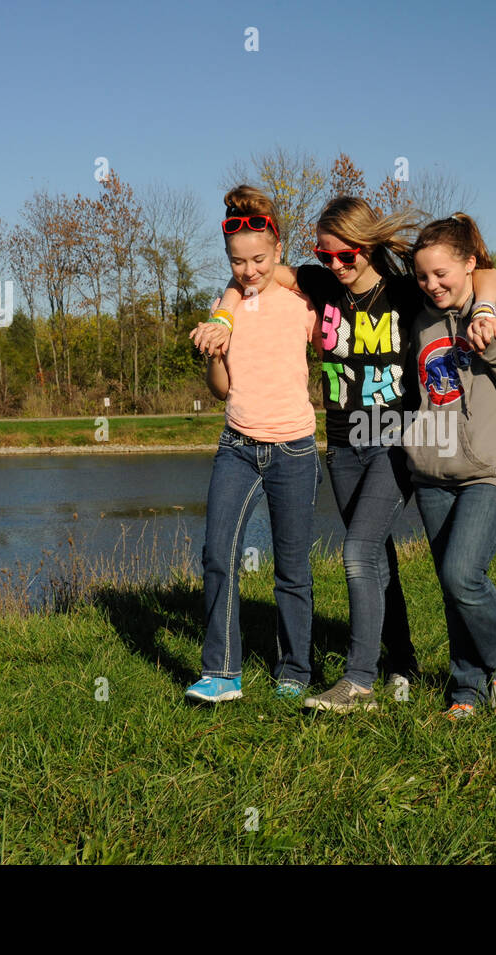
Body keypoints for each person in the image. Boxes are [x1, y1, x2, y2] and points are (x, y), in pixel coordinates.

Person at [196, 196, 496, 713]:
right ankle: (401, 662)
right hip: (342, 446)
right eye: (325, 254)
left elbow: (487, 277)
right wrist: (224, 318)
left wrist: (488, 308)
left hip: (393, 440)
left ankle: (358, 681)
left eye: (346, 255)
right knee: (377, 559)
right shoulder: (318, 283)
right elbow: (252, 276)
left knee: (357, 551)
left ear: (367, 247)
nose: (335, 265)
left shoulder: (405, 292)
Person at [403, 214, 496, 720]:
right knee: (451, 586)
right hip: (432, 471)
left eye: (442, 274)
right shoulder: (422, 318)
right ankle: (464, 689)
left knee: (463, 572)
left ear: (470, 265)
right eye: (423, 276)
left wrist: (493, 345)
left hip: (494, 469)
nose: (432, 285)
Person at [183, 185, 320, 703]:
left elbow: (335, 346)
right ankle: (221, 672)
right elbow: (222, 389)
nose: (248, 270)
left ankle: (295, 670)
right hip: (237, 444)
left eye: (258, 258)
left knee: (292, 567)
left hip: (294, 449)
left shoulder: (303, 299)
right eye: (237, 262)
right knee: (218, 553)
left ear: (278, 251)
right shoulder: (227, 306)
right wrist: (214, 352)